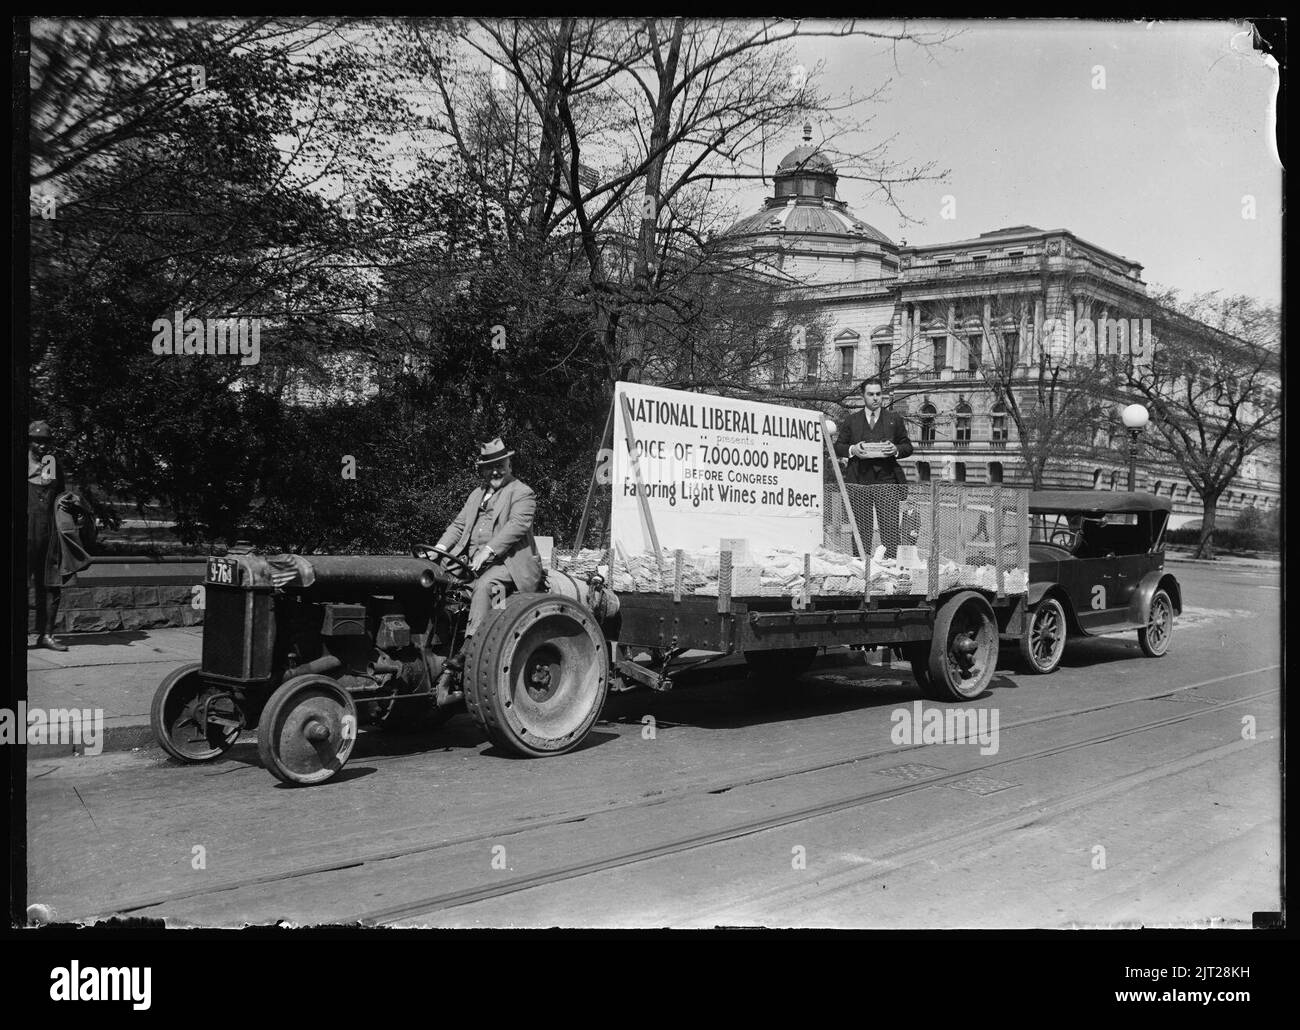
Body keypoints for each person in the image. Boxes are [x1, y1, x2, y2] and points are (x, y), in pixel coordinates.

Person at [434, 438, 544, 671]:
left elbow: (516, 526)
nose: (496, 471)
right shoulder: (476, 494)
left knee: (486, 586)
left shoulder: (523, 493)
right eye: (490, 467)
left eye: (500, 465)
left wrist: (487, 550)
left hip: (511, 562)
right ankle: (434, 639)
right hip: (473, 561)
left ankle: (469, 648)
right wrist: (439, 550)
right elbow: (458, 526)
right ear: (483, 470)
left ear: (509, 465)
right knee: (433, 578)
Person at [28, 421, 93, 650]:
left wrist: (69, 501)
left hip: (50, 532)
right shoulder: (20, 462)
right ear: (29, 441)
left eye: (46, 441)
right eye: (37, 441)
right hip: (26, 532)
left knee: (51, 585)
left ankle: (46, 635)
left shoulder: (50, 463)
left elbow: (58, 491)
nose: (42, 446)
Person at [834, 378, 914, 559]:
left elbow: (907, 446)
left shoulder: (894, 419)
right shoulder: (851, 420)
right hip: (859, 480)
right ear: (863, 396)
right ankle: (861, 565)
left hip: (887, 480)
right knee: (861, 527)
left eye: (878, 394)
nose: (875, 398)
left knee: (890, 526)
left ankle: (891, 564)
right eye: (871, 394)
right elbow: (839, 446)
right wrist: (853, 450)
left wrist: (895, 450)